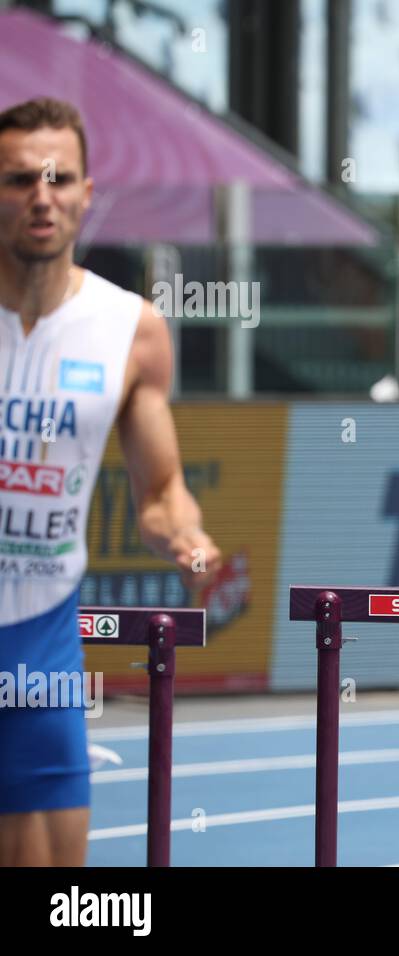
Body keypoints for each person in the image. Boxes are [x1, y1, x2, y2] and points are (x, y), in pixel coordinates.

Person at [0, 97, 222, 865]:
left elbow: (159, 497)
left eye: (59, 178)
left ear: (87, 192)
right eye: (19, 178)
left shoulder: (132, 330)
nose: (41, 195)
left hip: (41, 644)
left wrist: (192, 545)